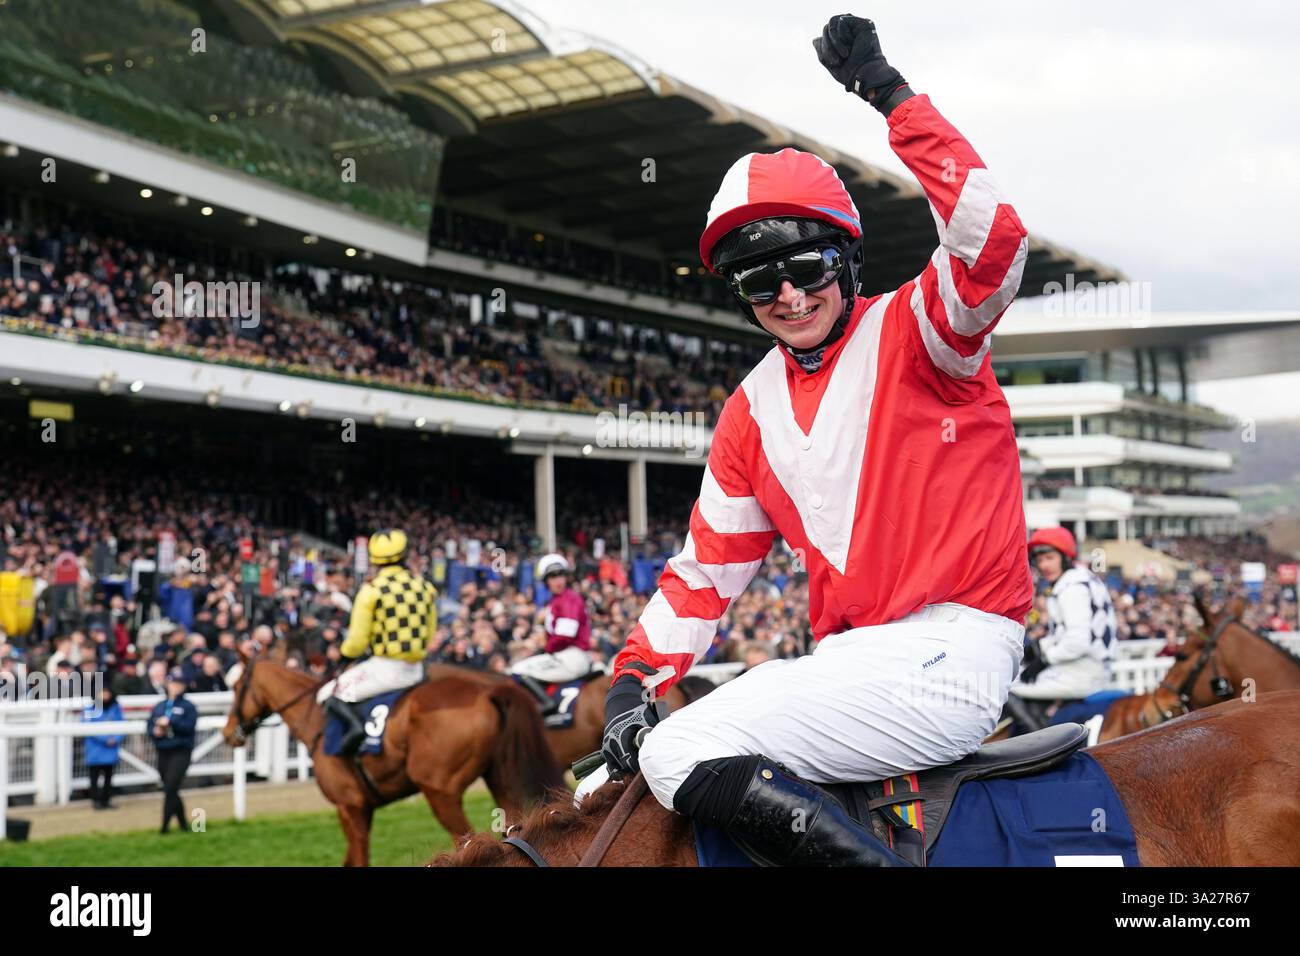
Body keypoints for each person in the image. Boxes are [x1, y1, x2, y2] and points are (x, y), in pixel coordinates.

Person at [597, 15, 1032, 867]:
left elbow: (992, 241)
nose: (790, 296)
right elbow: (702, 574)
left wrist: (891, 97)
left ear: (848, 262)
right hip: (859, 661)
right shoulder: (747, 412)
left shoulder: (922, 331)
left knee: (680, 752)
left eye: (809, 269)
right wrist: (629, 680)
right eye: (762, 282)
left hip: (954, 649)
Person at [315, 530, 436, 756]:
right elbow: (429, 632)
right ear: (404, 554)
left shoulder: (371, 591)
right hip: (418, 669)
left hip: (386, 668)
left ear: (374, 559)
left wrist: (344, 657)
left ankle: (355, 731)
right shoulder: (425, 587)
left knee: (327, 695)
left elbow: (357, 642)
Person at [1003, 527, 1118, 732]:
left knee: (1004, 685)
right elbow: (1066, 635)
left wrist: (1044, 659)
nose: (1044, 565)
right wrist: (1039, 648)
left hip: (1083, 672)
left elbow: (1077, 642)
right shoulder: (1082, 578)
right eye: (1039, 560)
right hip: (1090, 666)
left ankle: (1038, 749)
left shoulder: (1071, 587)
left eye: (1050, 558)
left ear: (1064, 557)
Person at [508, 554, 594, 710]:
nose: (558, 580)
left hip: (572, 657)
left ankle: (547, 704)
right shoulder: (557, 600)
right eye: (552, 576)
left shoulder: (568, 599)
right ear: (546, 581)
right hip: (566, 656)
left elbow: (564, 636)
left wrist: (544, 649)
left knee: (517, 671)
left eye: (560, 574)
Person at [147, 668, 198, 834]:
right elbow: (149, 725)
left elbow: (189, 727)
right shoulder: (160, 706)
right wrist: (156, 732)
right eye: (173, 683)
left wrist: (170, 724)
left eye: (179, 684)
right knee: (172, 789)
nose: (176, 687)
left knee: (169, 787)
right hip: (163, 750)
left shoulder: (188, 706)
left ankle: (164, 828)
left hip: (181, 750)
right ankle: (183, 825)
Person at [83, 686, 123, 809]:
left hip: (111, 749)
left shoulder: (115, 707)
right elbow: (87, 727)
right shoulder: (90, 708)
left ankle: (106, 800)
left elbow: (122, 725)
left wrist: (115, 739)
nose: (105, 695)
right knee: (94, 777)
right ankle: (96, 801)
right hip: (95, 749)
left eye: (107, 692)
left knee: (108, 777)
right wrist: (106, 739)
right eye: (102, 693)